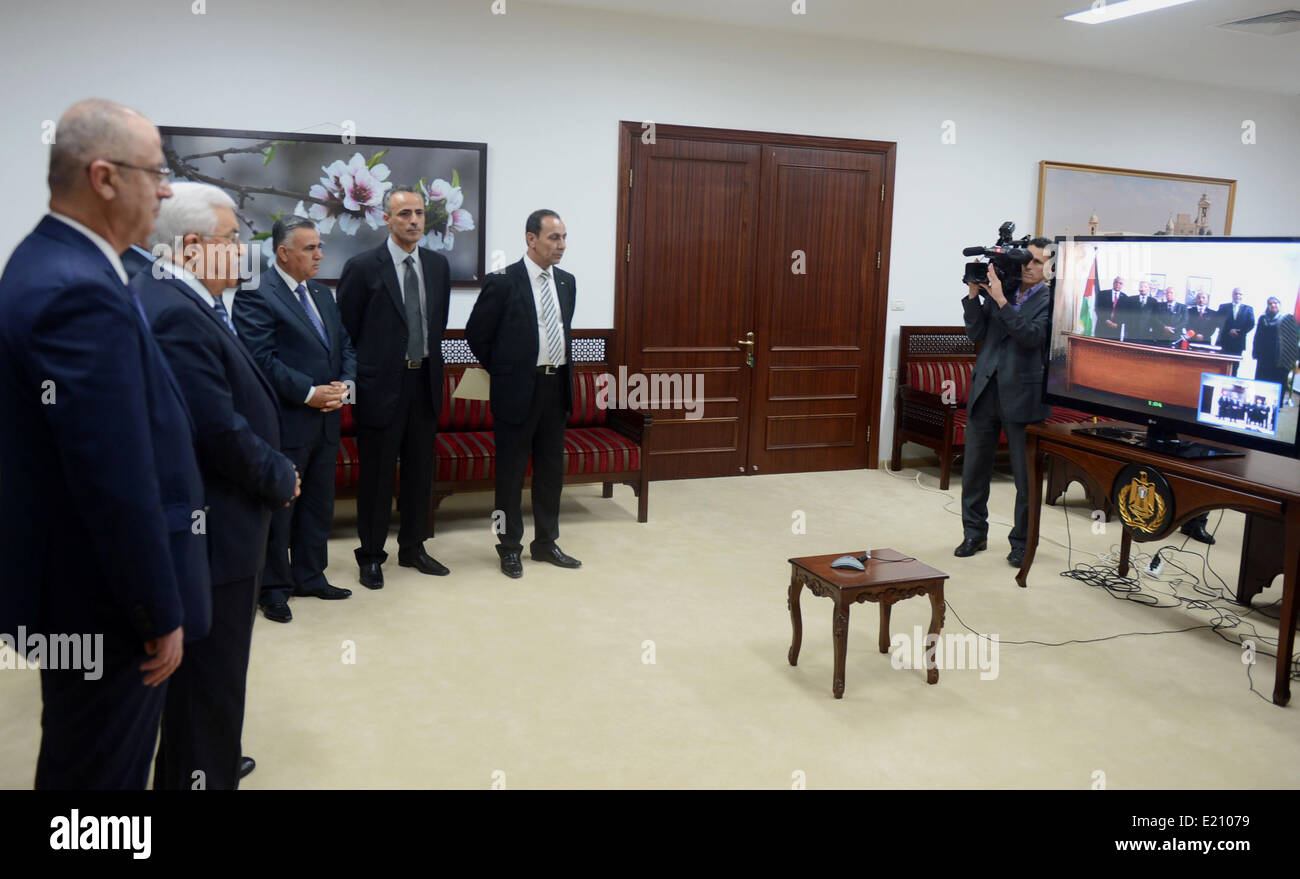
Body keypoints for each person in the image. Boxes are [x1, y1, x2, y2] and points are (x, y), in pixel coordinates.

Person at [0, 98, 209, 789]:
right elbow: (113, 477)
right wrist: (158, 609)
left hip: (81, 591)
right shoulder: (75, 289)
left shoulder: (55, 262)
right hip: (106, 606)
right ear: (104, 177)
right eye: (156, 172)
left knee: (83, 762)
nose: (168, 189)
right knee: (99, 781)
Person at [132, 182, 299, 789]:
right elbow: (215, 430)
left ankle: (201, 766)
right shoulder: (175, 310)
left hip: (218, 527)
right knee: (210, 684)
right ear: (194, 245)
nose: (244, 252)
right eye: (234, 240)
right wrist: (280, 474)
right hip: (211, 530)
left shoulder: (183, 299)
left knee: (207, 687)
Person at [234, 217, 356, 622]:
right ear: (283, 253)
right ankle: (273, 587)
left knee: (318, 502)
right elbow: (260, 360)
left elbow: (344, 346)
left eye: (319, 246)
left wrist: (345, 385)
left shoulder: (322, 294)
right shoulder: (256, 293)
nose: (320, 254)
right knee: (281, 505)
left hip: (326, 420)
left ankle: (310, 575)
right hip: (285, 420)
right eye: (310, 248)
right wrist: (309, 392)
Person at [338, 186, 450, 589]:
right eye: (404, 214)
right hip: (381, 386)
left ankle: (414, 547)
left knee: (420, 471)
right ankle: (370, 554)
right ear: (386, 219)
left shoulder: (438, 266)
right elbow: (346, 333)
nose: (414, 220)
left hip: (425, 382)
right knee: (377, 475)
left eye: (419, 213)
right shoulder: (363, 267)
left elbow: (435, 327)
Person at [466, 209, 582, 579]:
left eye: (564, 237)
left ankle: (546, 543)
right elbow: (477, 334)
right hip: (517, 390)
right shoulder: (502, 281)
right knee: (510, 475)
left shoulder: (566, 282)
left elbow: (562, 331)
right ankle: (508, 547)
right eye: (553, 238)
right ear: (531, 239)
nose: (561, 245)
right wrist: (505, 370)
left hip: (555, 388)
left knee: (551, 473)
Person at [954, 238, 1053, 567]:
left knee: (1024, 478)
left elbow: (1031, 337)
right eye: (1027, 261)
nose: (1029, 267)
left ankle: (1021, 543)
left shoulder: (1052, 301)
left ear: (1050, 267)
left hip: (1024, 395)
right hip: (985, 389)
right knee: (974, 469)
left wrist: (999, 300)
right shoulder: (1006, 289)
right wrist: (973, 296)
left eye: (1037, 262)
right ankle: (973, 533)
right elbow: (976, 332)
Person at [1252, 297, 1300, 387]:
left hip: (1280, 361)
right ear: (1268, 306)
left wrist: (1291, 358)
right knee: (1261, 385)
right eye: (1270, 304)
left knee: (1278, 387)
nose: (1273, 305)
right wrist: (1256, 353)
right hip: (1263, 360)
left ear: (1280, 305)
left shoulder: (1287, 319)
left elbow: (1293, 339)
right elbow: (1257, 337)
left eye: (1275, 303)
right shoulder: (1263, 319)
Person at [1216, 288, 1255, 375]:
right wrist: (1229, 330)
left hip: (1238, 342)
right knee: (1220, 366)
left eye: (1240, 294)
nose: (1238, 296)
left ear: (1243, 296)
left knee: (1234, 368)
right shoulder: (1223, 307)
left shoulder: (1248, 309)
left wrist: (1239, 332)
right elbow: (1218, 321)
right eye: (1236, 294)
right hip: (1224, 341)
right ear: (1232, 295)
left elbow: (1251, 324)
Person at [1095, 276, 1126, 340]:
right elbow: (1098, 309)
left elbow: (1126, 314)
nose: (1118, 284)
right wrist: (1107, 320)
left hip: (1116, 329)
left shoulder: (1125, 298)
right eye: (1116, 282)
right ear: (1113, 283)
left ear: (1122, 285)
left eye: (1120, 283)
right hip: (1102, 327)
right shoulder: (1103, 294)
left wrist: (1118, 324)